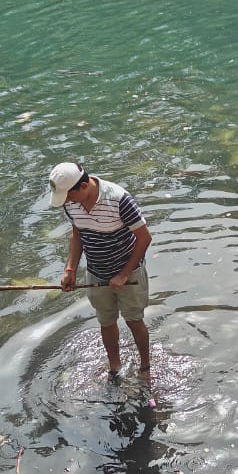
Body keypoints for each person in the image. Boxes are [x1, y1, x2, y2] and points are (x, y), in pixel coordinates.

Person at [49, 161, 152, 380]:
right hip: (96, 272)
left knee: (134, 320)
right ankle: (114, 366)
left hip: (129, 273)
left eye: (69, 196)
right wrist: (70, 269)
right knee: (106, 321)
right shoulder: (71, 203)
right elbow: (77, 234)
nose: (67, 202)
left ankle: (145, 367)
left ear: (84, 186)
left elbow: (144, 238)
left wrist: (124, 274)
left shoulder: (119, 200)